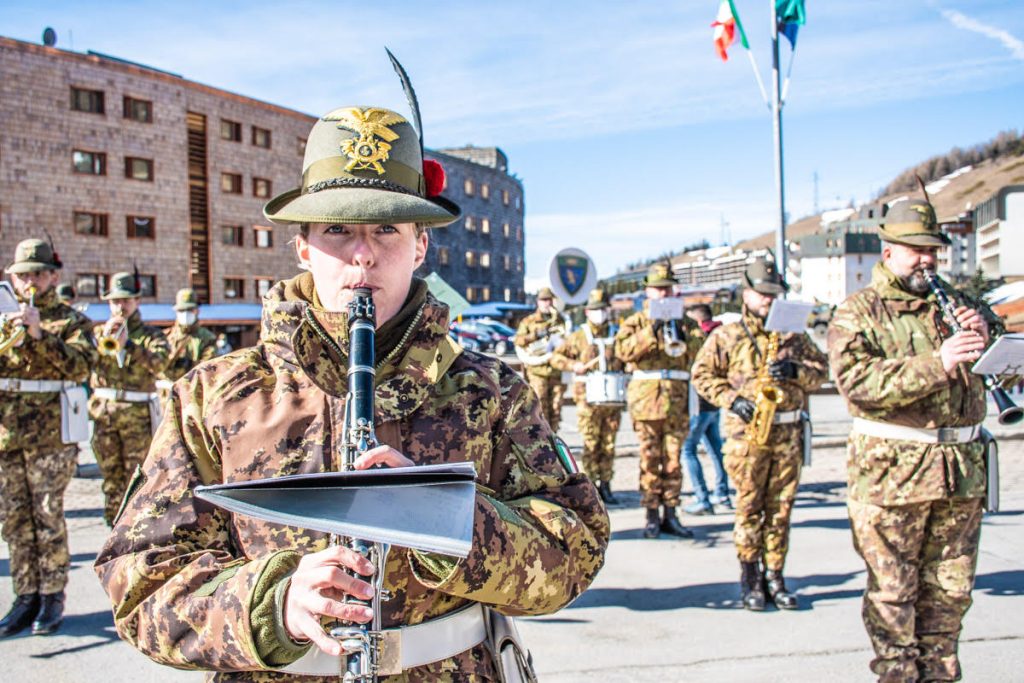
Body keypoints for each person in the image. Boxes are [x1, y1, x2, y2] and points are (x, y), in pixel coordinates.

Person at [95, 96, 609, 681]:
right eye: (337, 229)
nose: (362, 255)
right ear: (302, 245)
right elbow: (139, 582)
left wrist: (445, 524)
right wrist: (272, 604)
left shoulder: (489, 391)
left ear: (420, 246)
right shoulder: (213, 395)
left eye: (386, 229)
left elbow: (576, 550)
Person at [828, 198, 1002, 682]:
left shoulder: (958, 302)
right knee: (893, 598)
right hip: (892, 478)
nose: (927, 259)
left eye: (933, 250)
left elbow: (1006, 347)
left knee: (951, 593)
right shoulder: (860, 311)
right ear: (887, 251)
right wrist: (938, 363)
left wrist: (988, 332)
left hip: (959, 476)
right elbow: (857, 383)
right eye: (915, 249)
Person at [691, 258, 827, 611]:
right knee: (749, 507)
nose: (768, 300)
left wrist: (797, 370)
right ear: (746, 294)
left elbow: (821, 371)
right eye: (762, 294)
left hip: (789, 433)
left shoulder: (793, 333)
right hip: (746, 437)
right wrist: (732, 400)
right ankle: (750, 578)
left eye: (774, 294)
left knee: (781, 510)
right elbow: (702, 375)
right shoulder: (728, 334)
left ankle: (776, 576)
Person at [0, 239, 95, 636]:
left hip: (50, 438)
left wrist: (39, 335)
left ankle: (52, 595)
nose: (29, 282)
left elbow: (82, 366)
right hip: (7, 435)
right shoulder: (3, 320)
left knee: (46, 515)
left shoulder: (71, 321)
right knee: (14, 520)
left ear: (53, 276)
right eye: (22, 275)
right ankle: (25, 596)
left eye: (37, 273)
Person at [614, 263, 700, 539]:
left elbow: (701, 352)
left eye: (667, 288)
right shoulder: (636, 321)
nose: (662, 294)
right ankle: (651, 515)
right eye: (657, 289)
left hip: (677, 400)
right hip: (646, 402)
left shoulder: (686, 321)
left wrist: (683, 332)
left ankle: (671, 513)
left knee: (674, 460)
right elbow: (622, 351)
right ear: (648, 291)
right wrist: (652, 329)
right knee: (650, 459)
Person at [89, 272, 169, 526]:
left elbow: (160, 364)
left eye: (125, 301)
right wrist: (103, 341)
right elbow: (85, 366)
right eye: (115, 302)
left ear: (136, 301)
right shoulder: (97, 333)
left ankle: (136, 527)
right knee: (110, 476)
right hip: (105, 415)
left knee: (137, 477)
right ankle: (113, 527)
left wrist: (131, 346)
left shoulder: (151, 335)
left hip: (136, 415)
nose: (120, 307)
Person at [550, 288, 625, 504]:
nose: (599, 314)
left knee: (609, 443)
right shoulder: (579, 336)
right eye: (595, 310)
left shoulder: (616, 334)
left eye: (602, 310)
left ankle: (607, 484)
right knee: (591, 442)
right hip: (587, 399)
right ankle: (591, 488)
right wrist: (575, 365)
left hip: (612, 399)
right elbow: (557, 357)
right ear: (587, 312)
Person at [682, 303, 731, 515]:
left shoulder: (703, 339)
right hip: (714, 403)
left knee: (688, 449)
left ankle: (702, 498)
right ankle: (723, 493)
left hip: (698, 403)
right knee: (716, 449)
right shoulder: (721, 336)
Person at [513, 286, 567, 432]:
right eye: (543, 300)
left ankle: (553, 438)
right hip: (537, 371)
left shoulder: (559, 319)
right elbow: (518, 340)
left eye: (549, 300)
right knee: (540, 407)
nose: (546, 303)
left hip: (556, 370)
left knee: (556, 408)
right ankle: (542, 440)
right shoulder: (529, 321)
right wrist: (536, 335)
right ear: (538, 302)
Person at [161, 288, 217, 382]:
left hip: (195, 391)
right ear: (176, 312)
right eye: (182, 310)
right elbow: (156, 367)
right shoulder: (164, 337)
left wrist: (188, 366)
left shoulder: (208, 338)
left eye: (190, 310)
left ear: (197, 311)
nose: (185, 313)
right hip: (167, 391)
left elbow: (208, 368)